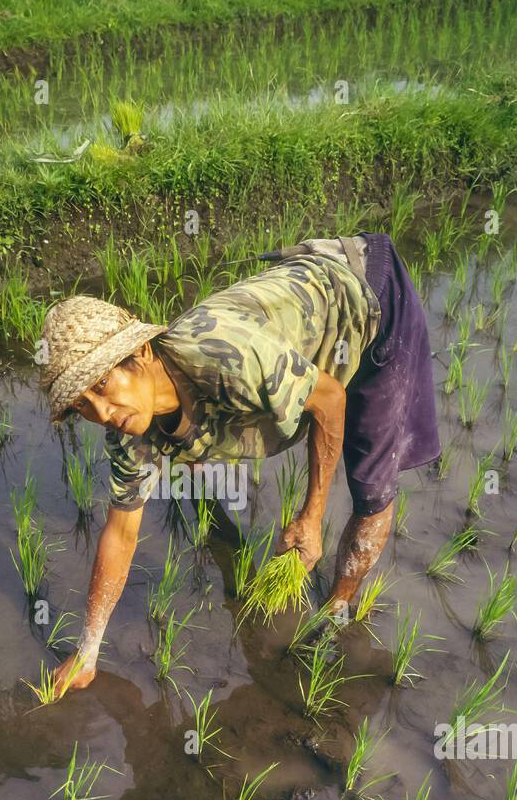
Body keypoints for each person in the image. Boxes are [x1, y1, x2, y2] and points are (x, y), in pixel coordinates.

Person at [39, 232, 439, 696]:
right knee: (202, 446)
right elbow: (120, 533)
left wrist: (312, 517)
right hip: (302, 309)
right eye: (83, 405)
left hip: (369, 301)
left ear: (141, 354)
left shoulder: (225, 359)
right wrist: (88, 650)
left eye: (104, 384)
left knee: (371, 485)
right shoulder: (129, 433)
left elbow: (329, 399)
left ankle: (336, 610)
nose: (104, 412)